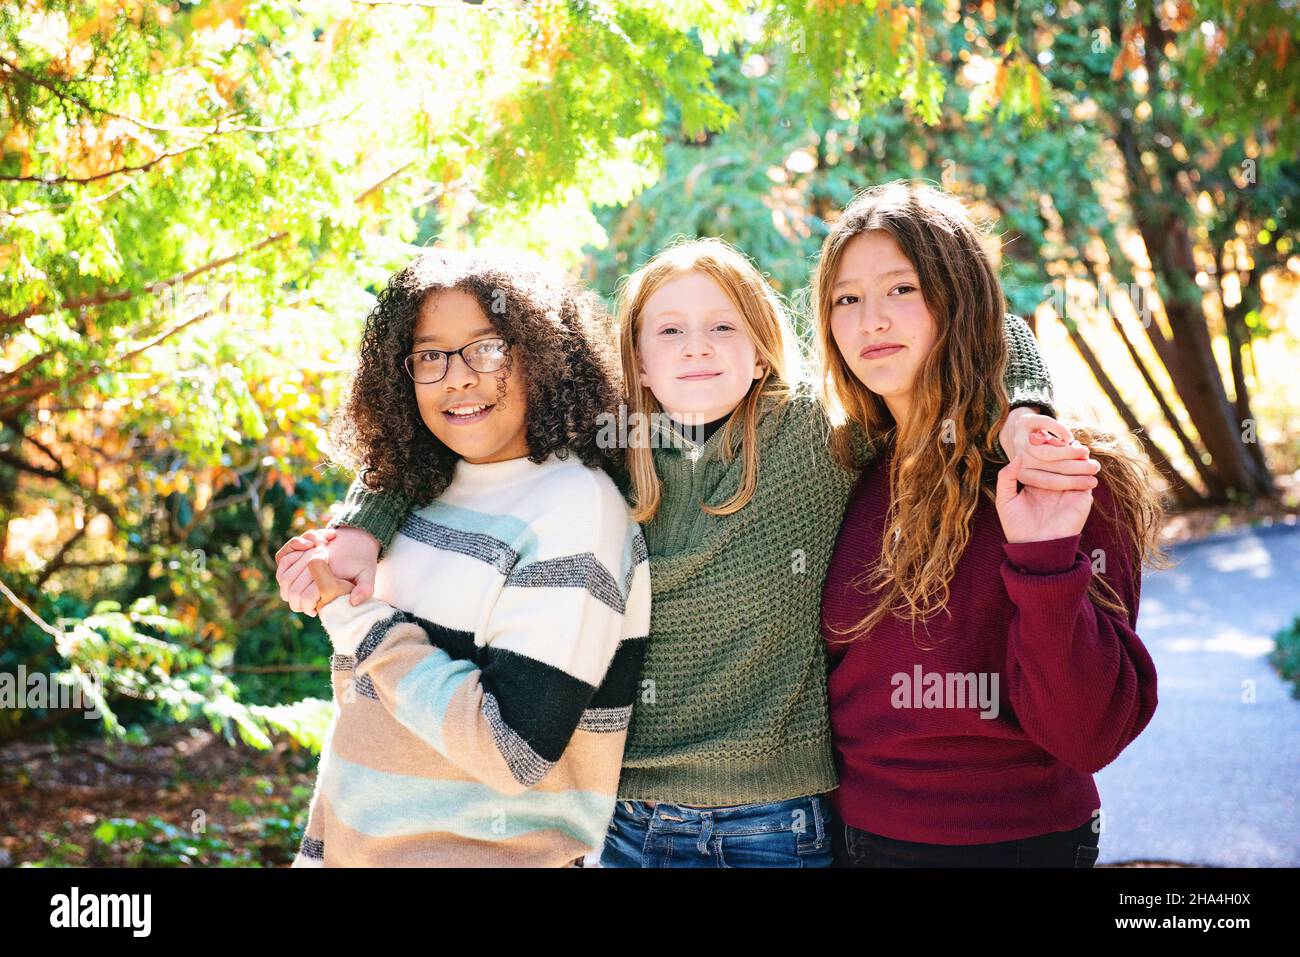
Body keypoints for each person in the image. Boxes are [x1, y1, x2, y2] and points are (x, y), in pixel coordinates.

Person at [815, 181, 1163, 867]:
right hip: (857, 841)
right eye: (845, 299)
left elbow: (1089, 734)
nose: (870, 322)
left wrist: (1045, 558)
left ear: (960, 299)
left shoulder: (1056, 471)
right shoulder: (844, 468)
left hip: (1022, 843)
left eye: (902, 289)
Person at [289, 248, 649, 867]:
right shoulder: (430, 488)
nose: (457, 378)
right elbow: (382, 705)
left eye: (488, 348)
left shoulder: (574, 513)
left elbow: (515, 751)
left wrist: (355, 620)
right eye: (430, 356)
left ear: (544, 356)